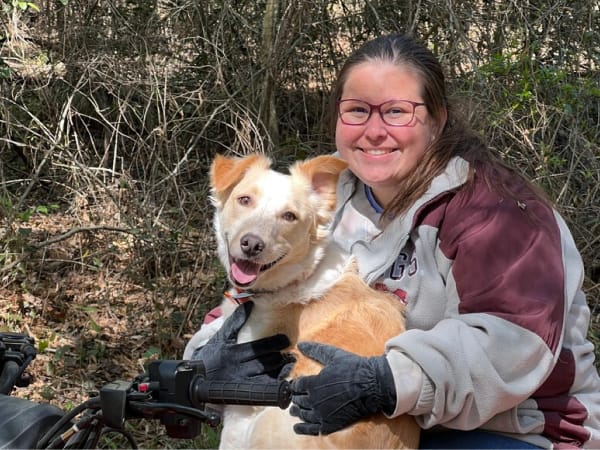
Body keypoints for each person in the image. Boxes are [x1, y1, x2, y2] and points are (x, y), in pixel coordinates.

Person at [187, 33, 600, 449]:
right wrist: (208, 358)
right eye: (357, 110)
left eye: (397, 112)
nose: (375, 131)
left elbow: (512, 345)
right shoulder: (327, 204)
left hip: (517, 429)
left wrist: (385, 381)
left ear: (436, 120)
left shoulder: (497, 211)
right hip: (389, 423)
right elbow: (263, 292)